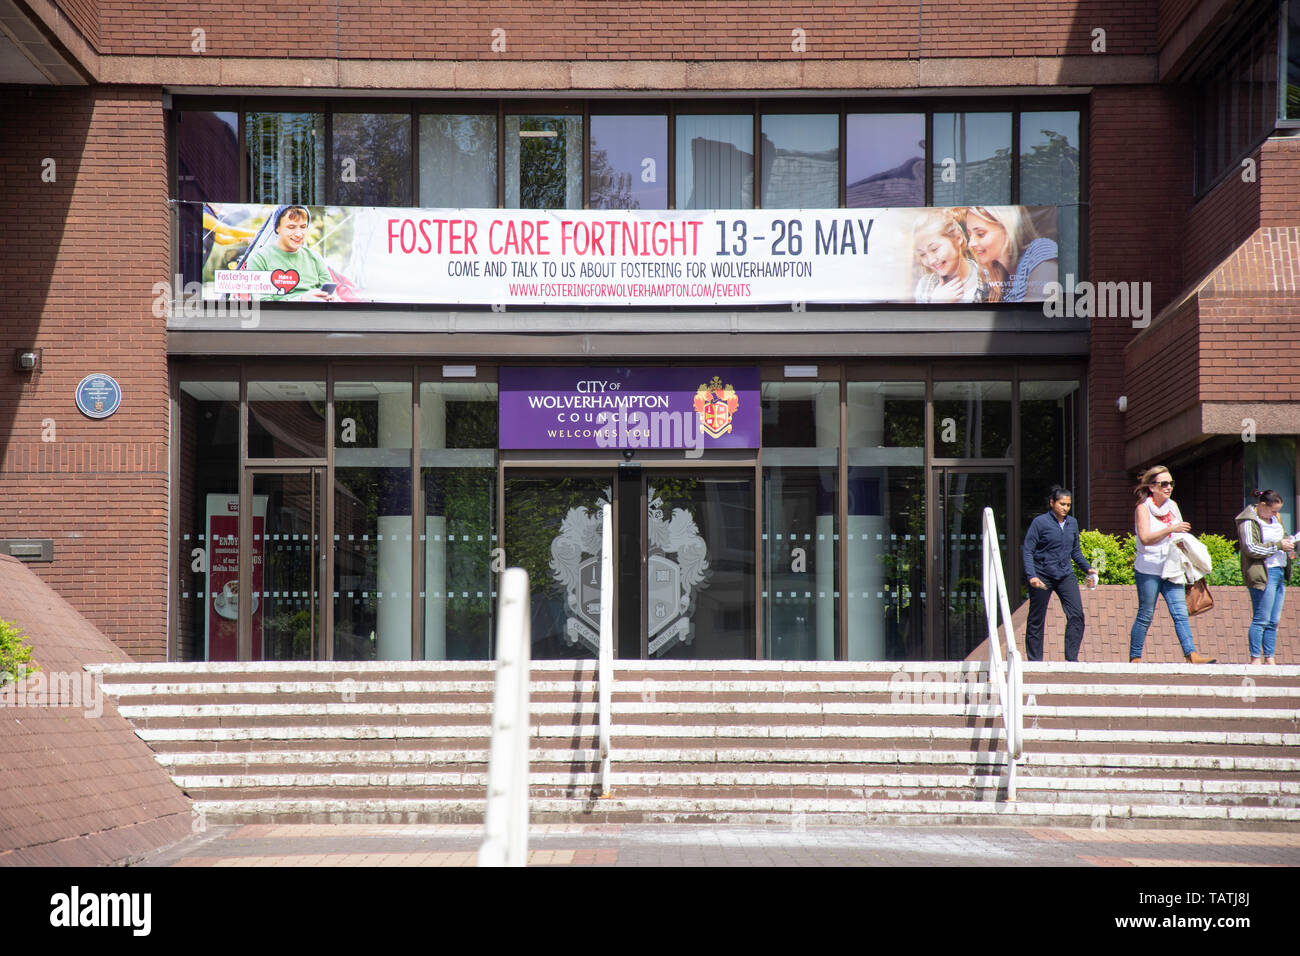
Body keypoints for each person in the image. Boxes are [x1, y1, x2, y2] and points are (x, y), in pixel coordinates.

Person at [1129, 465, 1215, 663]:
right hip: (1148, 568)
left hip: (1172, 567)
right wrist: (1171, 528)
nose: (1169, 487)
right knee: (1145, 613)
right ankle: (1135, 657)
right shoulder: (1143, 508)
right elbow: (1145, 538)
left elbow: (1178, 535)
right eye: (1164, 484)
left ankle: (1191, 654)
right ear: (1152, 487)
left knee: (1180, 613)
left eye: (1171, 483)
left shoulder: (1173, 506)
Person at [1022, 485, 1096, 661]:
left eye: (1068, 505)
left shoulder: (1072, 523)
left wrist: (1087, 568)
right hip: (1042, 575)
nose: (1065, 508)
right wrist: (1031, 575)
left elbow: (1075, 551)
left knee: (1077, 614)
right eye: (1062, 504)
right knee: (1036, 618)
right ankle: (1035, 661)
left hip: (1065, 575)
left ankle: (1071, 659)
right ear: (1052, 503)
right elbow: (1027, 550)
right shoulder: (1039, 522)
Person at [1235, 489, 1295, 664]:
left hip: (1279, 570)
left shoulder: (1275, 519)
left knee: (1274, 620)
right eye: (1273, 510)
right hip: (1263, 572)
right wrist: (1278, 546)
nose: (1276, 514)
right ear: (1262, 505)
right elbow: (1250, 547)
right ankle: (1255, 657)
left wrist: (1288, 541)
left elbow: (1280, 537)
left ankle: (1270, 657)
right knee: (1261, 618)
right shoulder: (1248, 521)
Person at [964, 205, 1059, 303]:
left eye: (980, 234)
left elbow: (1037, 312)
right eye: (969, 235)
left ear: (1007, 228)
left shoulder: (1041, 250)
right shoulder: (996, 277)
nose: (971, 244)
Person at [243, 205, 337, 301]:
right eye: (291, 227)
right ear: (277, 228)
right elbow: (263, 304)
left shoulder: (315, 258)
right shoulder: (259, 258)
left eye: (303, 227)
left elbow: (335, 297)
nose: (298, 233)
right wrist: (302, 300)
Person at [912, 208, 987, 303]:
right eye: (922, 254)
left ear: (958, 238)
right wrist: (936, 303)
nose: (931, 261)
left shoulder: (990, 279)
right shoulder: (925, 286)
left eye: (934, 249)